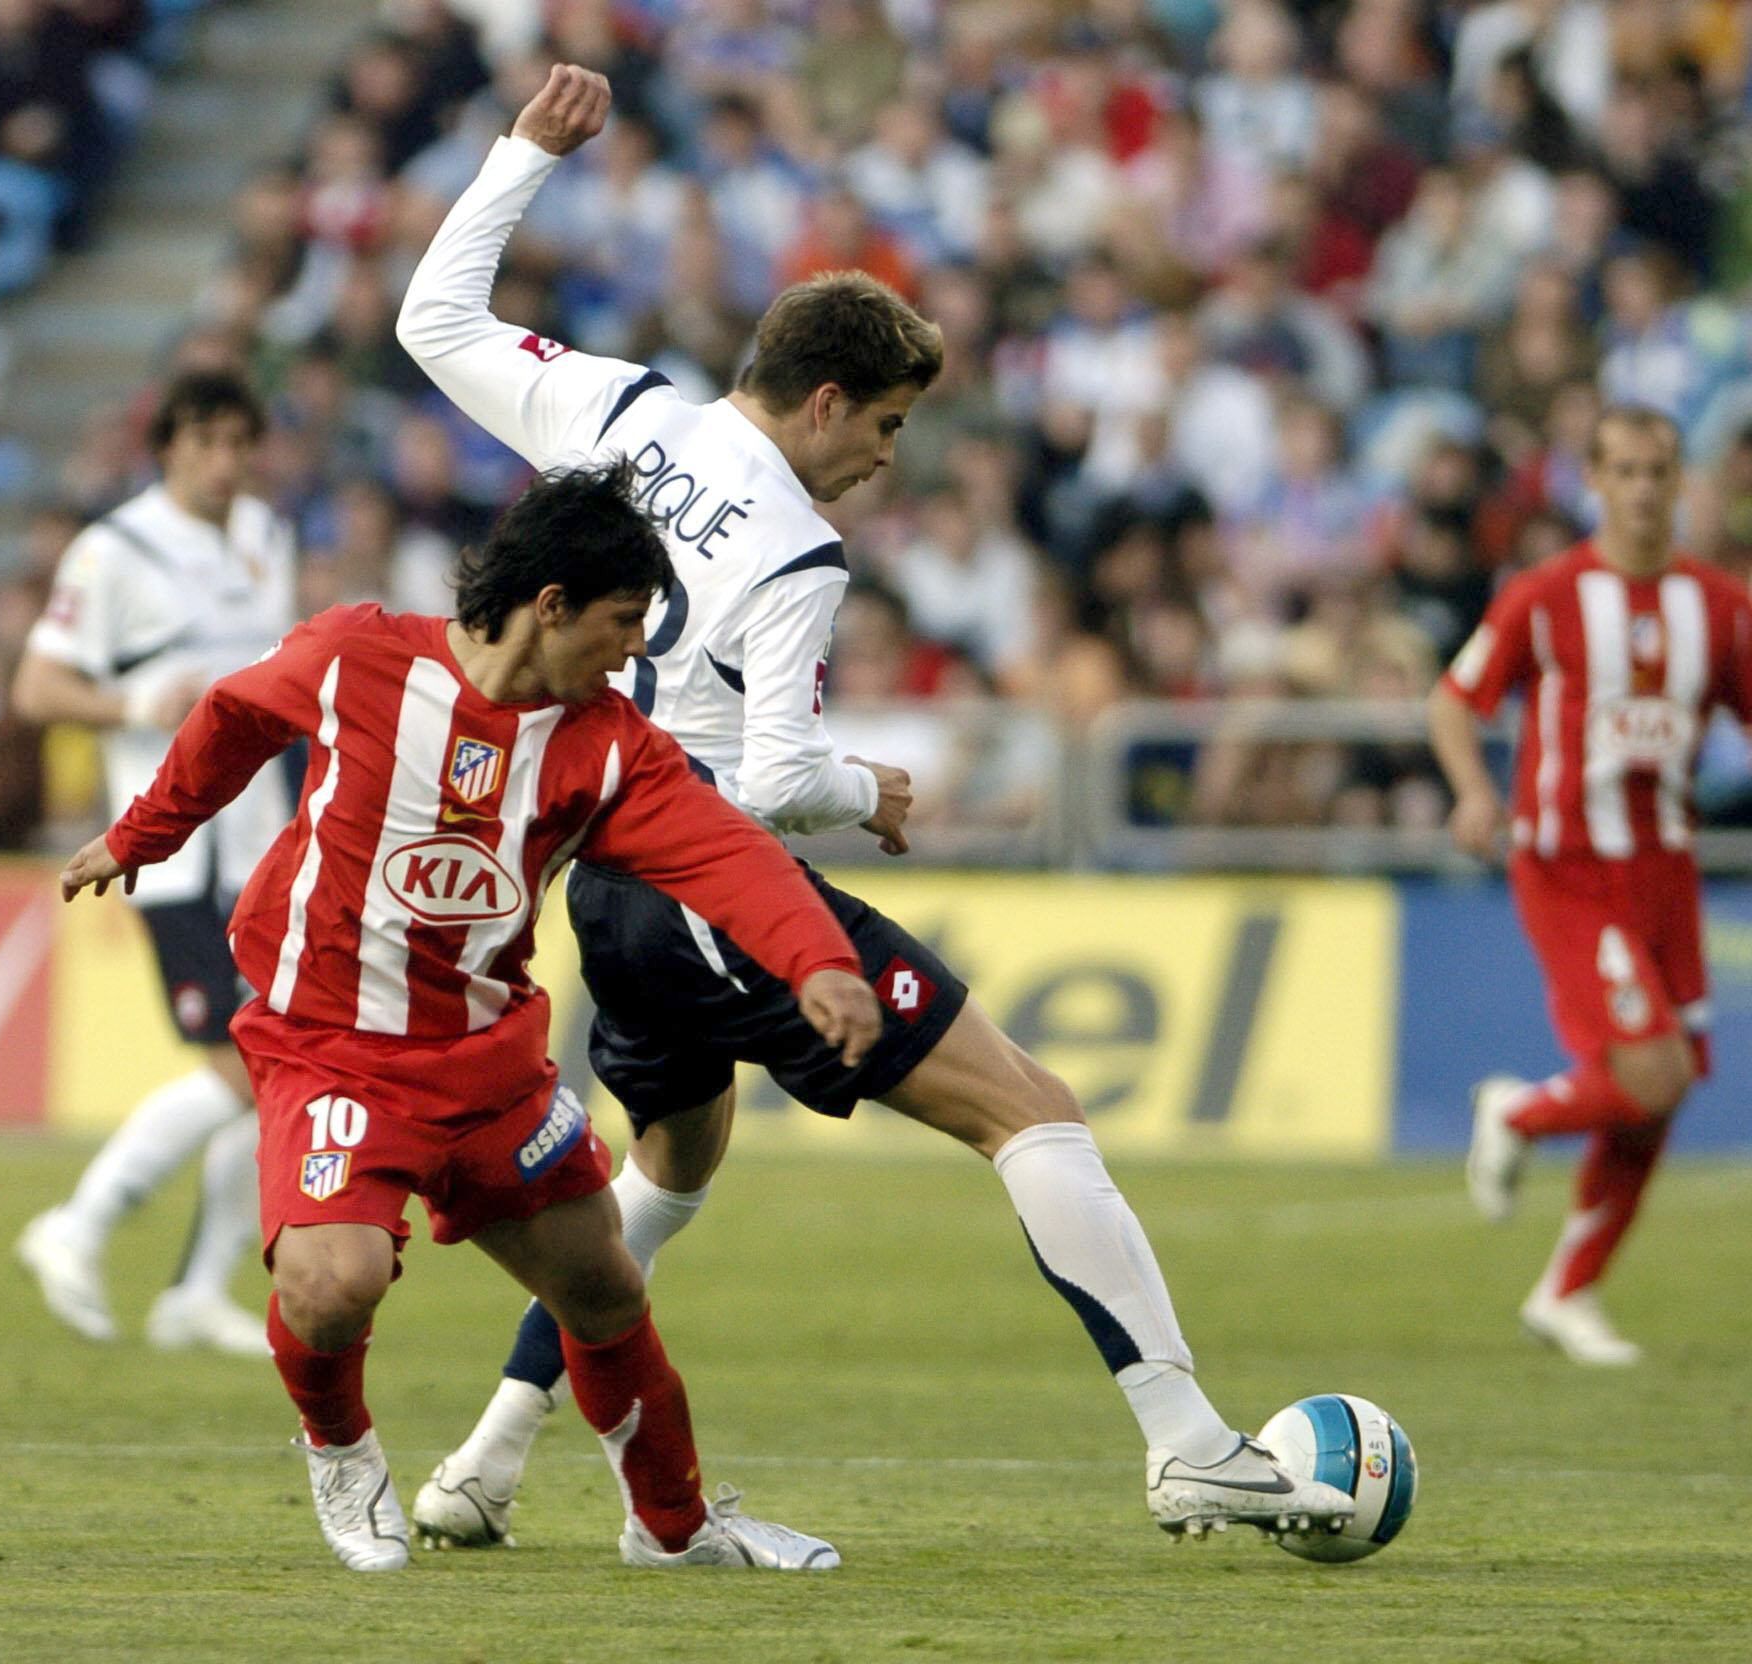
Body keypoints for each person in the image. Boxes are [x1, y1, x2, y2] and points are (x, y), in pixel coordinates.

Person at [398, 63, 1356, 1549]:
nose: (887, 462)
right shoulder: (795, 547)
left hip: (604, 890)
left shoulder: (621, 412)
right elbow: (779, 779)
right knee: (1030, 1110)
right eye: (891, 426)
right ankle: (1189, 1440)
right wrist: (870, 786)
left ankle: (484, 1463)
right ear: (830, 396)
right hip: (710, 880)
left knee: (670, 1166)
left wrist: (522, 152)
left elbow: (433, 321)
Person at [58, 459, 883, 1573]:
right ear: (549, 606)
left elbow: (725, 851)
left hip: (487, 1064)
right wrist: (143, 833)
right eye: (623, 618)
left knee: (601, 1284)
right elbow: (232, 715)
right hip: (331, 1049)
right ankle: (342, 1450)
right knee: (332, 1280)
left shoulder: (604, 746)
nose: (634, 647)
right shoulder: (357, 655)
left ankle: (673, 1529)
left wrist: (816, 961)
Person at [1430, 405, 1752, 1365]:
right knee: (1649, 1071)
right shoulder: (1548, 595)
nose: (1646, 489)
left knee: (1666, 1091)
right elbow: (1454, 699)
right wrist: (1474, 792)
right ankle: (1516, 1111)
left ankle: (1568, 1293)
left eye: (1661, 470)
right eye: (1626, 471)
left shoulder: (1720, 608)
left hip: (1665, 868)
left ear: (1682, 477)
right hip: (1569, 867)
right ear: (1595, 481)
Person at [11, 370, 297, 1356]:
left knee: (276, 1061)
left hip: (262, 840)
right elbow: (37, 686)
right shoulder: (114, 549)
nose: (228, 461)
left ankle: (192, 1291)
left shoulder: (264, 533)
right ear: (168, 445)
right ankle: (77, 1224)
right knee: (240, 1062)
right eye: (209, 440)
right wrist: (134, 706)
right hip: (167, 850)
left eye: (240, 441)